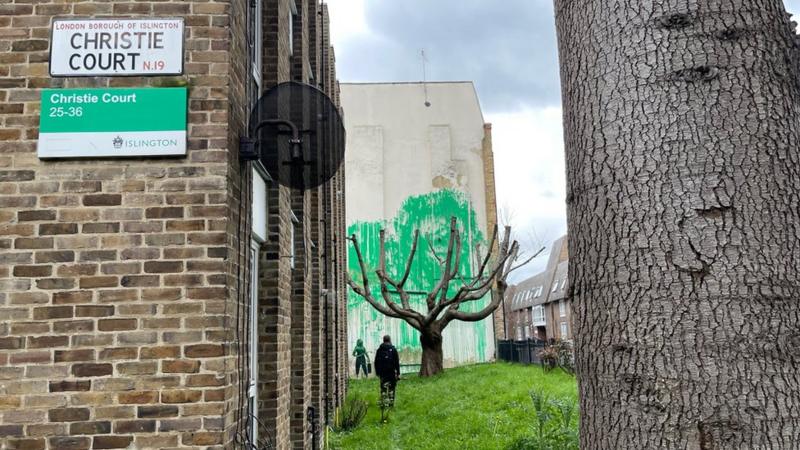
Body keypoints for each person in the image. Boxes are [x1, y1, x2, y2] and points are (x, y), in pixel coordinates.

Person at [374, 335, 400, 407]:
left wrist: (377, 372)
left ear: (383, 340)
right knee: (392, 388)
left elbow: (376, 362)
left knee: (383, 388)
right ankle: (391, 404)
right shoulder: (393, 349)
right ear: (390, 340)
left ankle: (384, 403)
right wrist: (398, 373)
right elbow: (396, 362)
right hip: (391, 372)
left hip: (382, 373)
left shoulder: (379, 350)